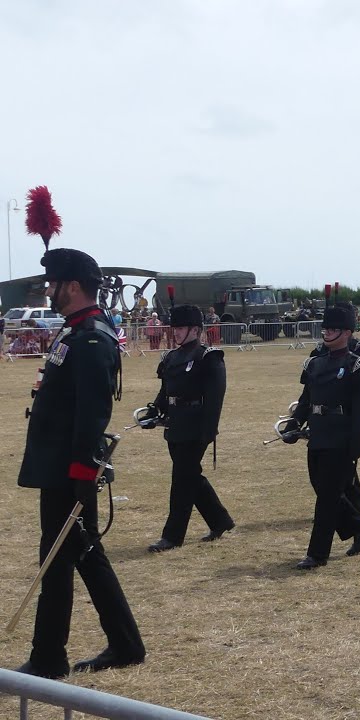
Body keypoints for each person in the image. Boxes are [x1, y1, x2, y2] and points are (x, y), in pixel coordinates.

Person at [14, 247, 145, 678]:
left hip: (68, 467)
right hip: (59, 462)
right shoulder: (74, 330)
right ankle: (126, 644)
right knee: (84, 552)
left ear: (72, 286)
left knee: (57, 558)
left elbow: (92, 411)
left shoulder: (90, 337)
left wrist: (81, 471)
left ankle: (49, 656)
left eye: (53, 283)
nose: (48, 290)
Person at [281, 303, 360, 569]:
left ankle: (317, 554)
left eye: (333, 329)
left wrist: (357, 442)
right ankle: (359, 528)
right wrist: (294, 423)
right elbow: (306, 399)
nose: (327, 333)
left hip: (341, 436)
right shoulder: (315, 363)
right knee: (323, 489)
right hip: (318, 433)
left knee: (326, 498)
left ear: (347, 333)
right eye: (325, 329)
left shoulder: (358, 365)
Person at [140, 304, 235, 552]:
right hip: (175, 425)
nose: (176, 332)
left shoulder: (208, 357)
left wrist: (209, 430)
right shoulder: (171, 357)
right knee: (190, 476)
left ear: (195, 329)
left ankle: (172, 536)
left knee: (181, 480)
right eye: (175, 328)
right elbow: (166, 391)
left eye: (181, 328)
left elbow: (215, 398)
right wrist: (154, 410)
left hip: (196, 426)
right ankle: (220, 520)